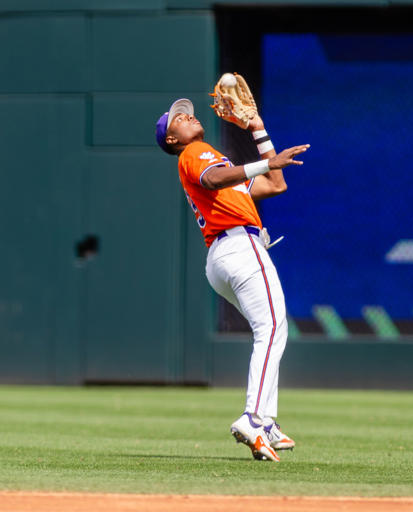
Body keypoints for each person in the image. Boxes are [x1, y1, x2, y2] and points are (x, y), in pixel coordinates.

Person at [155, 98, 309, 462]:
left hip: (225, 256)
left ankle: (265, 421)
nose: (188, 115)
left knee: (269, 329)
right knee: (272, 329)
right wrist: (266, 161)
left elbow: (275, 184)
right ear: (173, 139)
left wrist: (257, 128)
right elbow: (215, 177)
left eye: (188, 111)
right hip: (239, 245)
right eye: (179, 118)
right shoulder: (195, 153)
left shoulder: (219, 167)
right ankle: (253, 418)